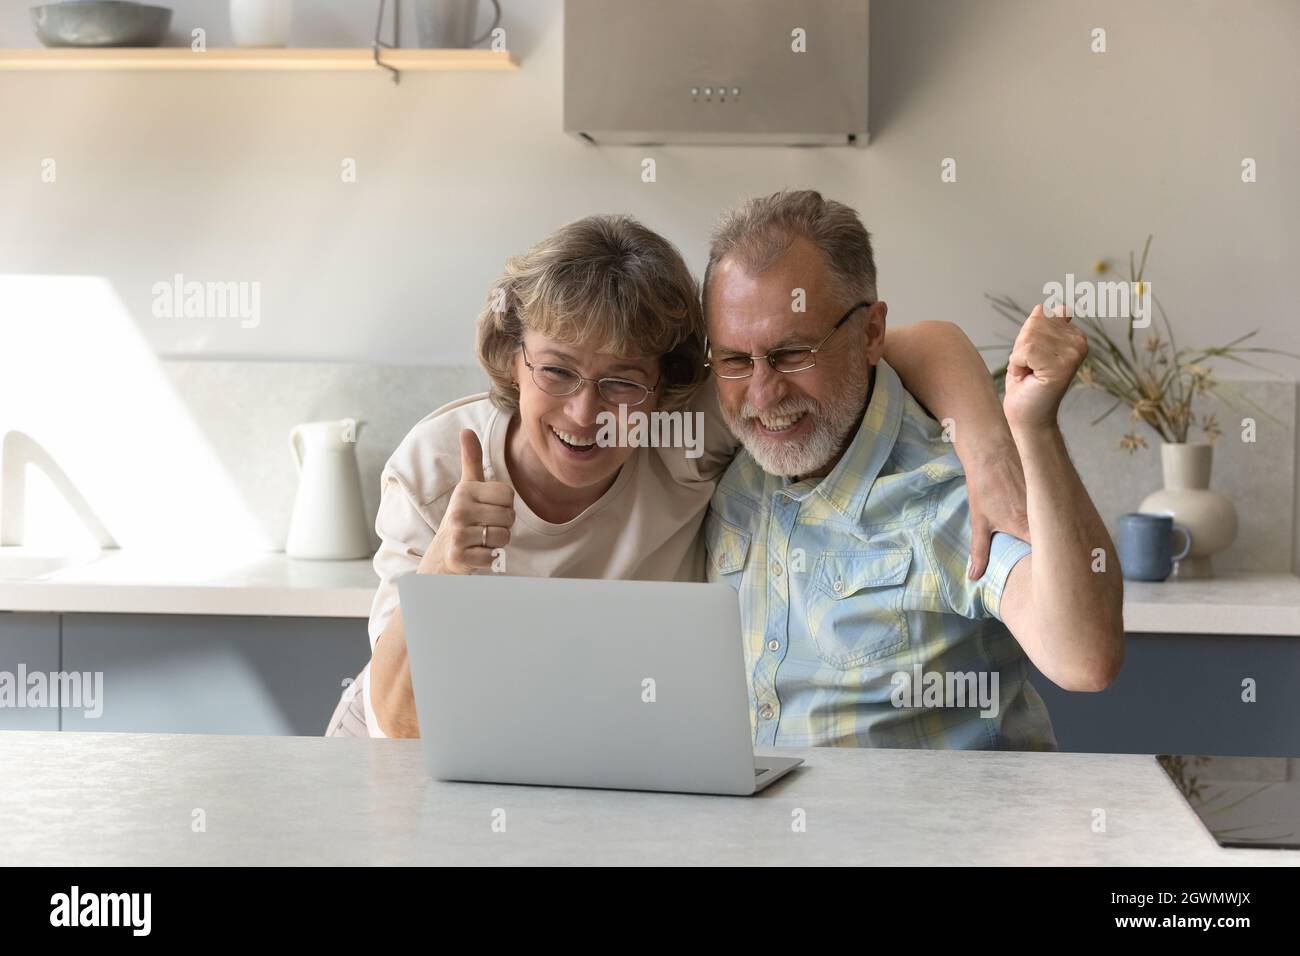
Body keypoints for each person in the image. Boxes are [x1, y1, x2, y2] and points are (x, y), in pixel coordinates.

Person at [325, 213, 1036, 738]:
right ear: (514, 356)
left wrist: (988, 450)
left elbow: (914, 341)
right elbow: (399, 721)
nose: (586, 412)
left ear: (665, 384)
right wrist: (442, 578)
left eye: (621, 382)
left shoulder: (689, 426)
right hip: (398, 752)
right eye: (556, 370)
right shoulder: (437, 466)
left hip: (577, 746)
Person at [702, 190, 1125, 750]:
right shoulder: (732, 458)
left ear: (871, 334)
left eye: (793, 353)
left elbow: (1084, 658)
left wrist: (1033, 430)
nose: (763, 393)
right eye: (735, 359)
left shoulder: (950, 491)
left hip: (932, 835)